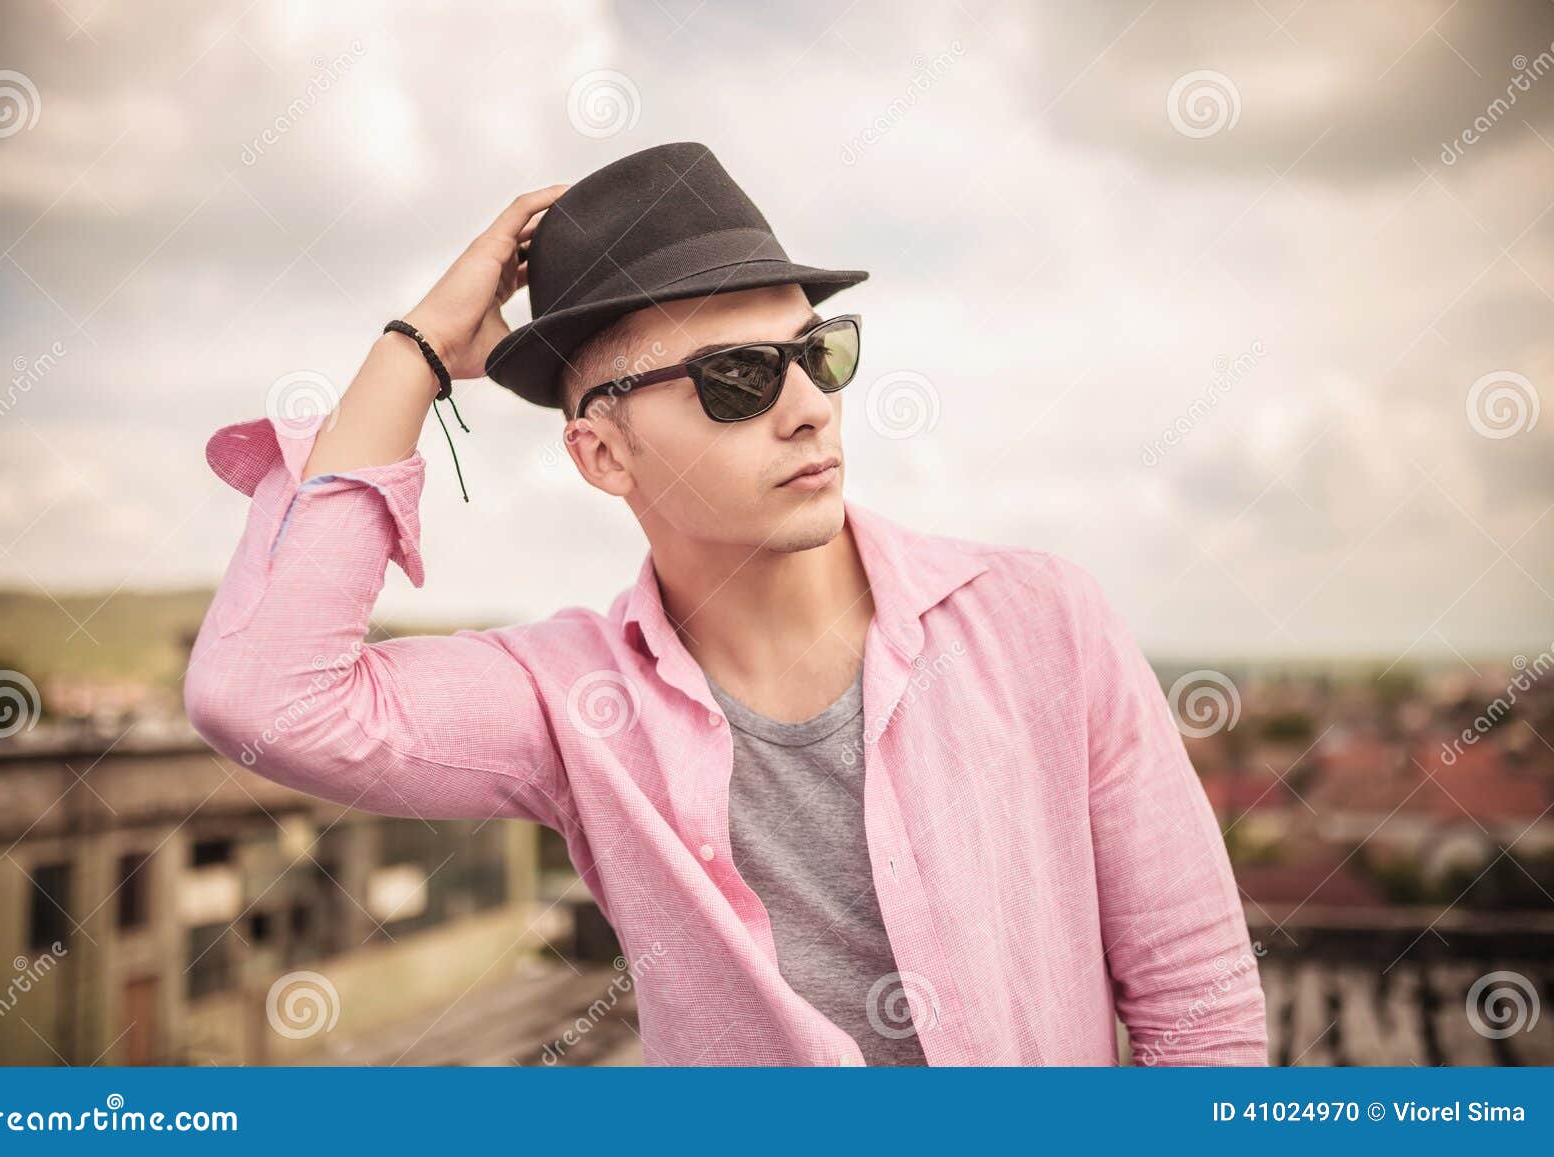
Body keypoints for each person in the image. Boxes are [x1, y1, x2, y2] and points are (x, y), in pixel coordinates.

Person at [185, 142, 1266, 1067]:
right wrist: (416, 346)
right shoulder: (575, 705)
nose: (807, 408)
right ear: (601, 452)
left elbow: (1199, 1005)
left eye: (817, 354)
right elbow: (265, 697)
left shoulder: (1042, 621)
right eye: (736, 379)